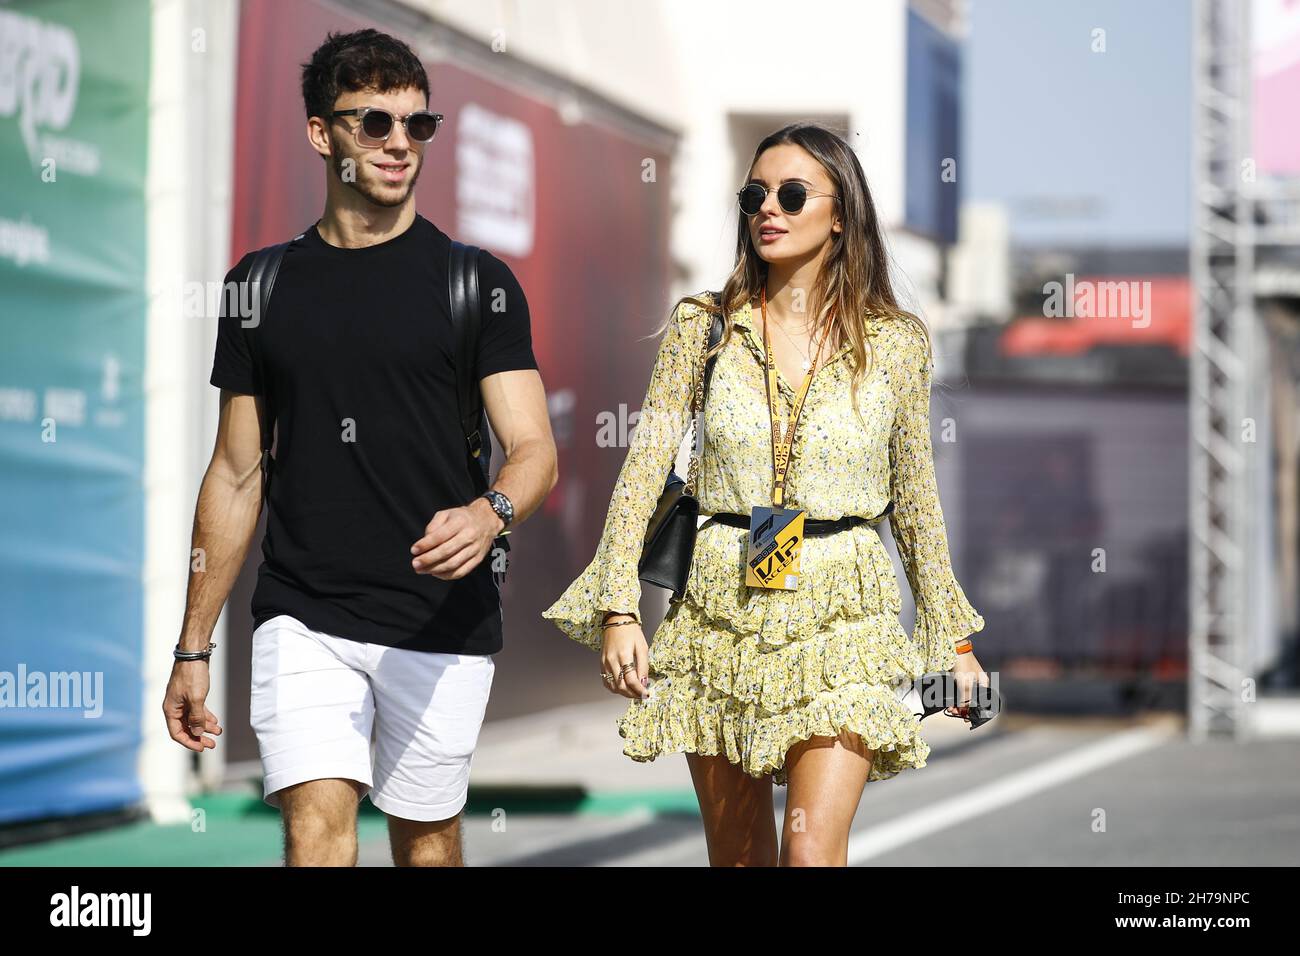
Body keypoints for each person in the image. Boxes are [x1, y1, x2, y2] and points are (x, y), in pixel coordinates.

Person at [542, 122, 988, 867]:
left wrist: (955, 644)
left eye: (790, 194)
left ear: (841, 212)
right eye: (754, 195)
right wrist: (620, 607)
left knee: (810, 851)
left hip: (843, 607)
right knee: (739, 855)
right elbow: (645, 469)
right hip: (721, 606)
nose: (767, 210)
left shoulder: (897, 344)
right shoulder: (704, 327)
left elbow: (914, 502)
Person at [162, 28, 557, 867]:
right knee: (315, 835)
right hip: (304, 613)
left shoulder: (475, 283)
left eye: (418, 126)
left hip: (438, 619)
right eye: (373, 122)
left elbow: (534, 452)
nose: (398, 144)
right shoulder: (258, 286)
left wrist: (490, 514)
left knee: (426, 848)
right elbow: (235, 475)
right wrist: (193, 644)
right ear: (320, 133)